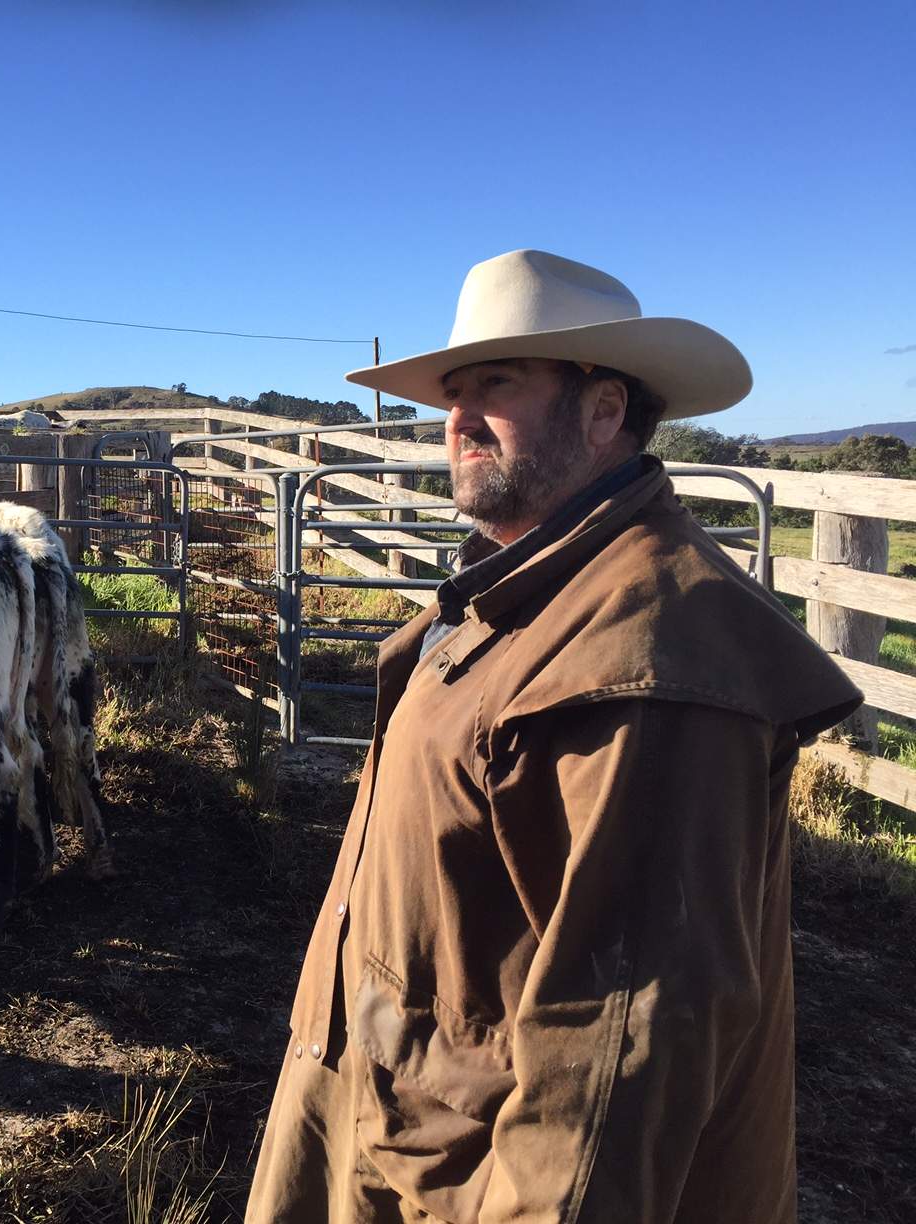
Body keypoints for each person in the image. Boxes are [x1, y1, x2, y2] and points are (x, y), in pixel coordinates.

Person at [245, 250, 862, 1224]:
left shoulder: (647, 659)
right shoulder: (530, 591)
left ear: (604, 412)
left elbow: (615, 1063)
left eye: (495, 383)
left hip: (468, 1176)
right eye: (454, 389)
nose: (456, 416)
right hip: (401, 1130)